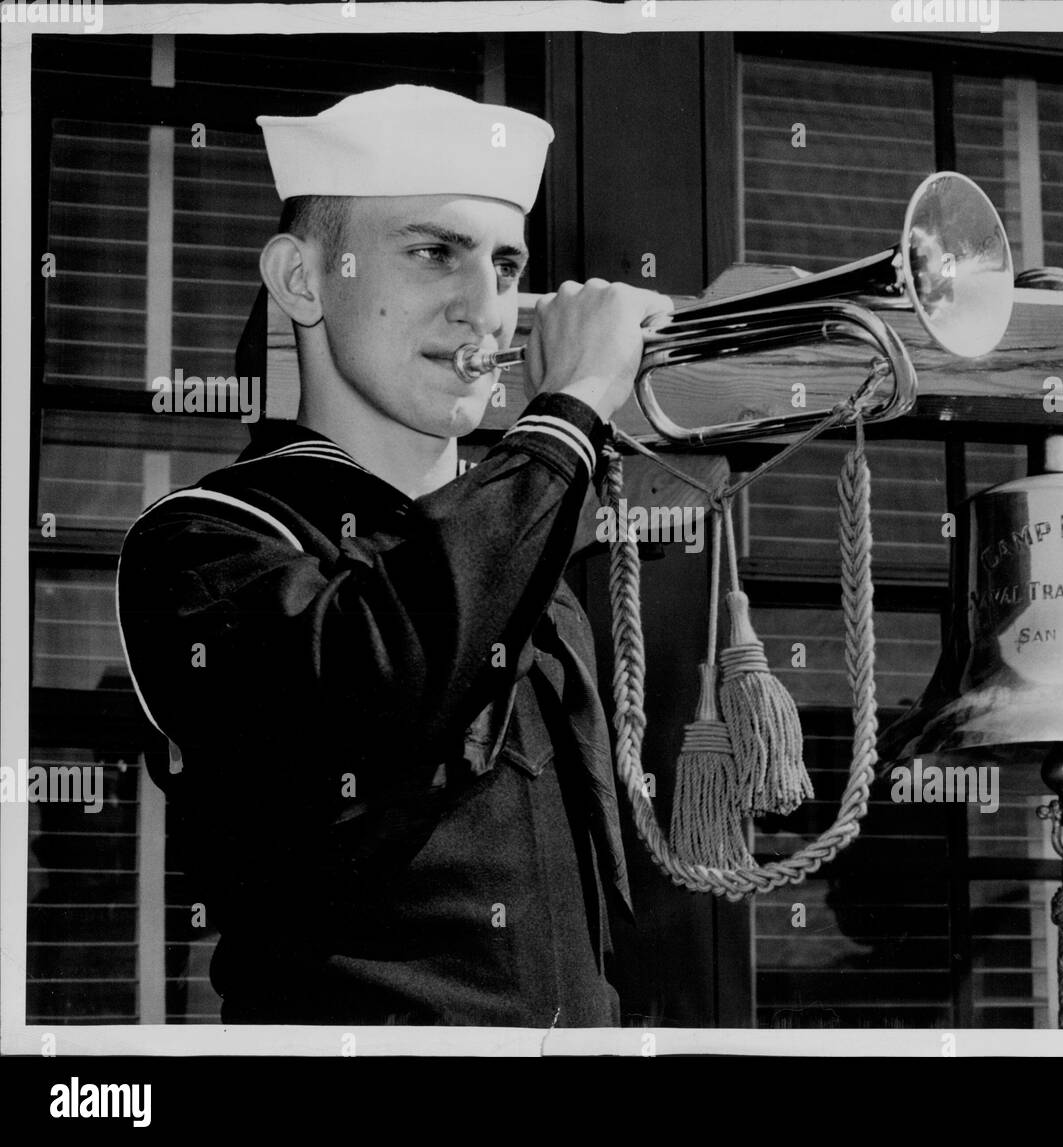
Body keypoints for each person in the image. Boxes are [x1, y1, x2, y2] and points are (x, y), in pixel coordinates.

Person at [115, 84, 673, 1026]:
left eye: (505, 265)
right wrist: (570, 413)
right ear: (302, 279)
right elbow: (374, 669)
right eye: (432, 253)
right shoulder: (204, 539)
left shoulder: (525, 550)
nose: (485, 308)